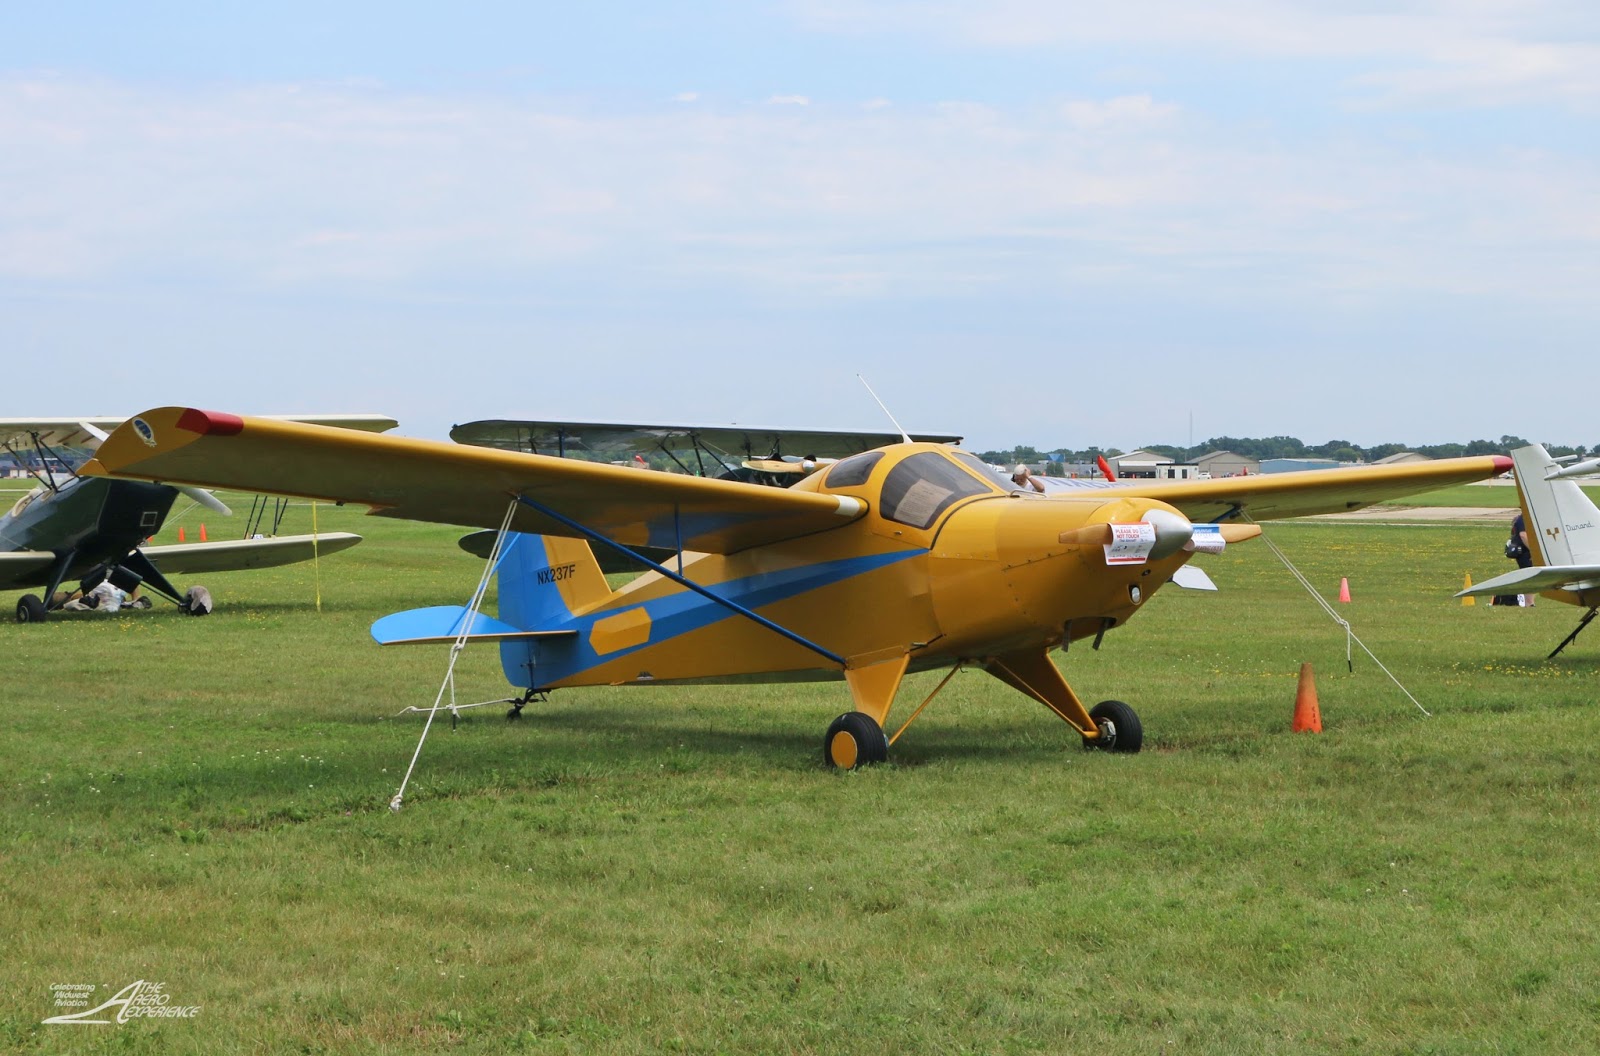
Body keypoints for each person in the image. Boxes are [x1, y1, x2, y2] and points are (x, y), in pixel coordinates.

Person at [1493, 512, 1533, 607]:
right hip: (1524, 552)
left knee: (1530, 577)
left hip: (1525, 551)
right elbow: (1523, 535)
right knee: (1529, 577)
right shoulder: (1523, 519)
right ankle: (1529, 603)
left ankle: (1529, 602)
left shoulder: (1523, 518)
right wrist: (1533, 550)